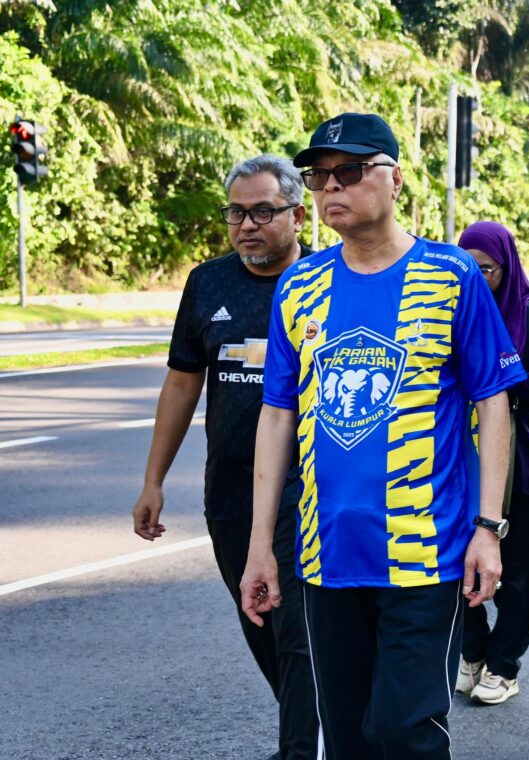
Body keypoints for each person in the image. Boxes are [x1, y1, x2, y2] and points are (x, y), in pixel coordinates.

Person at [238, 113, 526, 759]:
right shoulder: (299, 287)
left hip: (426, 553)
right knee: (345, 741)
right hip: (325, 555)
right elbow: (278, 415)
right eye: (318, 176)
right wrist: (263, 546)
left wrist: (489, 528)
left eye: (350, 171)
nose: (330, 187)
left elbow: (493, 402)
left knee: (405, 733)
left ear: (394, 179)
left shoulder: (452, 276)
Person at [130, 154, 319, 760]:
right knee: (260, 623)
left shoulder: (328, 279)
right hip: (232, 493)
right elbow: (183, 381)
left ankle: (300, 750)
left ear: (296, 213)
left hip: (310, 489)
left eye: (263, 211)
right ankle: (323, 731)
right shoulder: (207, 283)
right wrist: (153, 480)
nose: (247, 225)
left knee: (298, 635)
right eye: (237, 212)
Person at [454, 220, 529, 706]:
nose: (478, 280)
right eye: (468, 271)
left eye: (488, 271)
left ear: (507, 266)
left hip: (525, 466)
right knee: (459, 565)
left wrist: (499, 376)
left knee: (519, 576)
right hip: (464, 464)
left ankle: (503, 666)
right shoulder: (449, 314)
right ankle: (473, 652)